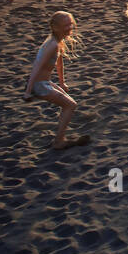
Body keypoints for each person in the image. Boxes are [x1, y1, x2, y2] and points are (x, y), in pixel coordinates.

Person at [24, 11, 88, 150]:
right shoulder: (52, 44)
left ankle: (60, 136)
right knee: (70, 105)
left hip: (45, 82)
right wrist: (28, 91)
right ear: (56, 27)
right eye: (66, 25)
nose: (70, 27)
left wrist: (62, 82)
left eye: (71, 24)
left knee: (68, 103)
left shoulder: (58, 42)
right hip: (39, 85)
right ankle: (59, 141)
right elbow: (36, 67)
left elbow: (59, 63)